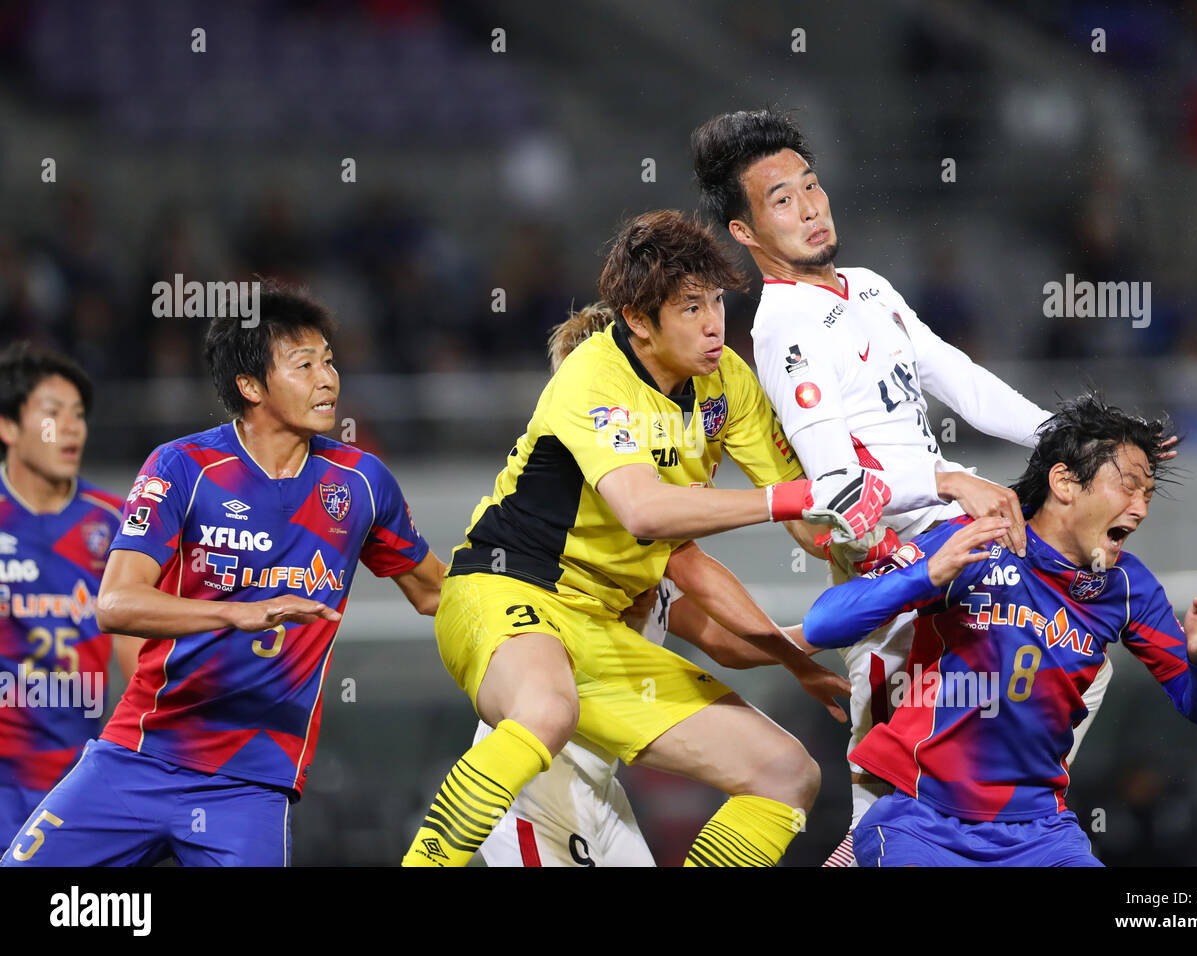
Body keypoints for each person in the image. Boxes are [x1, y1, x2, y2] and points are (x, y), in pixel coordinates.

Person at [691, 108, 1172, 862]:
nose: (811, 207)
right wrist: (945, 474)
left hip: (957, 553)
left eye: (811, 186)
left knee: (1075, 672)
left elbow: (967, 386)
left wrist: (1088, 446)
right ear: (745, 233)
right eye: (781, 199)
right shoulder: (784, 326)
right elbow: (837, 485)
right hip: (895, 577)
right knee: (894, 795)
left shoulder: (871, 289)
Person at [403, 209, 882, 868]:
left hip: (600, 641)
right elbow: (646, 514)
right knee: (545, 710)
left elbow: (800, 526)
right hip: (507, 590)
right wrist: (792, 499)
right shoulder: (593, 378)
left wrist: (887, 535)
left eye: (716, 299)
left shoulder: (726, 383)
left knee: (787, 772)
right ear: (635, 319)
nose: (714, 321)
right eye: (690, 307)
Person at [2, 282, 446, 866]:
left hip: (252, 783)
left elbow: (437, 590)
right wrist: (236, 613)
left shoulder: (361, 483)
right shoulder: (184, 468)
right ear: (251, 386)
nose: (328, 378)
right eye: (304, 363)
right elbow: (114, 603)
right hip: (138, 755)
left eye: (330, 361)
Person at [803, 394, 1197, 866]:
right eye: (1128, 487)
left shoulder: (1128, 587)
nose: (1141, 509)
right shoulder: (975, 543)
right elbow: (823, 624)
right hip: (923, 824)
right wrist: (925, 575)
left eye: (1147, 495)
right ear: (1065, 482)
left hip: (1042, 836)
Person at [473, 304, 816, 867]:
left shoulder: (644, 553)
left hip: (600, 792)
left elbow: (727, 641)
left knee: (786, 771)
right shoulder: (561, 540)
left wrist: (833, 631)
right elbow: (687, 557)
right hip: (537, 792)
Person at [0, 343, 142, 847]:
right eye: (52, 413)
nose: (73, 427)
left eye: (79, 415)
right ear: (9, 427)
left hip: (79, 780)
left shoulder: (116, 521)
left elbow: (139, 662)